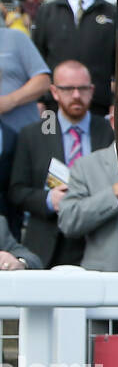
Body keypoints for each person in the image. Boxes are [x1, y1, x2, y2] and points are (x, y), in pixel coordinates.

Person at [8, 61, 114, 268]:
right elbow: (16, 191)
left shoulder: (109, 132)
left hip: (98, 241)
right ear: (54, 92)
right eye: (68, 89)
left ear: (92, 91)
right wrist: (49, 199)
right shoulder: (32, 135)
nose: (76, 95)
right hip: (46, 243)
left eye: (82, 88)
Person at [31, 0, 115, 117]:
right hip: (53, 107)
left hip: (99, 107)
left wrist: (115, 103)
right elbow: (37, 59)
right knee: (50, 142)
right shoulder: (47, 12)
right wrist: (39, 100)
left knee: (98, 145)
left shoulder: (113, 14)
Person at [57, 128, 118, 272]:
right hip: (106, 277)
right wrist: (114, 194)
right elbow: (68, 220)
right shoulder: (86, 165)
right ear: (113, 121)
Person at [0, 27, 52, 236]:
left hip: (22, 139)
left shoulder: (14, 38)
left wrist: (9, 101)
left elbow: (43, 80)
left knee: (22, 200)